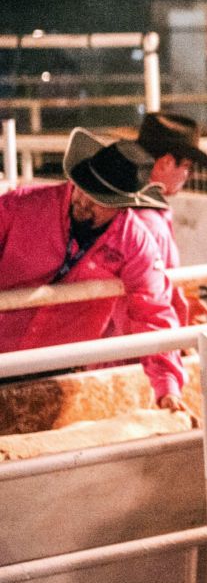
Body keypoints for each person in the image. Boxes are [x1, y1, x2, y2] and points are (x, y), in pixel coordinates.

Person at [0, 129, 185, 409]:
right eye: (82, 187)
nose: (84, 201)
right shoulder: (19, 207)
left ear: (123, 206)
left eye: (100, 199)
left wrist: (167, 387)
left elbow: (152, 313)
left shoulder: (135, 242)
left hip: (61, 371)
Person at [132, 112, 207, 325]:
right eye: (187, 166)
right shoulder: (151, 223)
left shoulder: (125, 205)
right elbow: (154, 294)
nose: (188, 175)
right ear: (165, 163)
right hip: (148, 334)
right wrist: (182, 316)